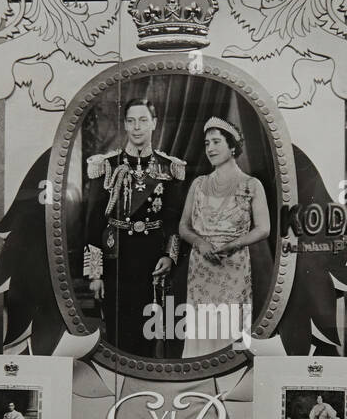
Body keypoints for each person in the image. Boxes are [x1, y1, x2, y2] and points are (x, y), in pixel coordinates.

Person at [83, 99, 186, 357]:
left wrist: (169, 255)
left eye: (142, 120)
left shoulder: (168, 167)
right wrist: (95, 274)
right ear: (125, 125)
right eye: (131, 121)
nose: (136, 127)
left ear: (154, 123)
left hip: (152, 260)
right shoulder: (107, 165)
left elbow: (174, 219)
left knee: (149, 332)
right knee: (118, 332)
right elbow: (94, 222)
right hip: (116, 259)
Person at [178, 117, 271, 358]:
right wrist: (200, 242)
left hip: (234, 266)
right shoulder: (198, 185)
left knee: (231, 327)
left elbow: (264, 228)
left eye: (216, 142)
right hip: (201, 268)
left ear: (232, 146)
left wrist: (234, 244)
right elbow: (183, 227)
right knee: (201, 328)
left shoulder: (251, 185)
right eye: (207, 143)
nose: (210, 148)